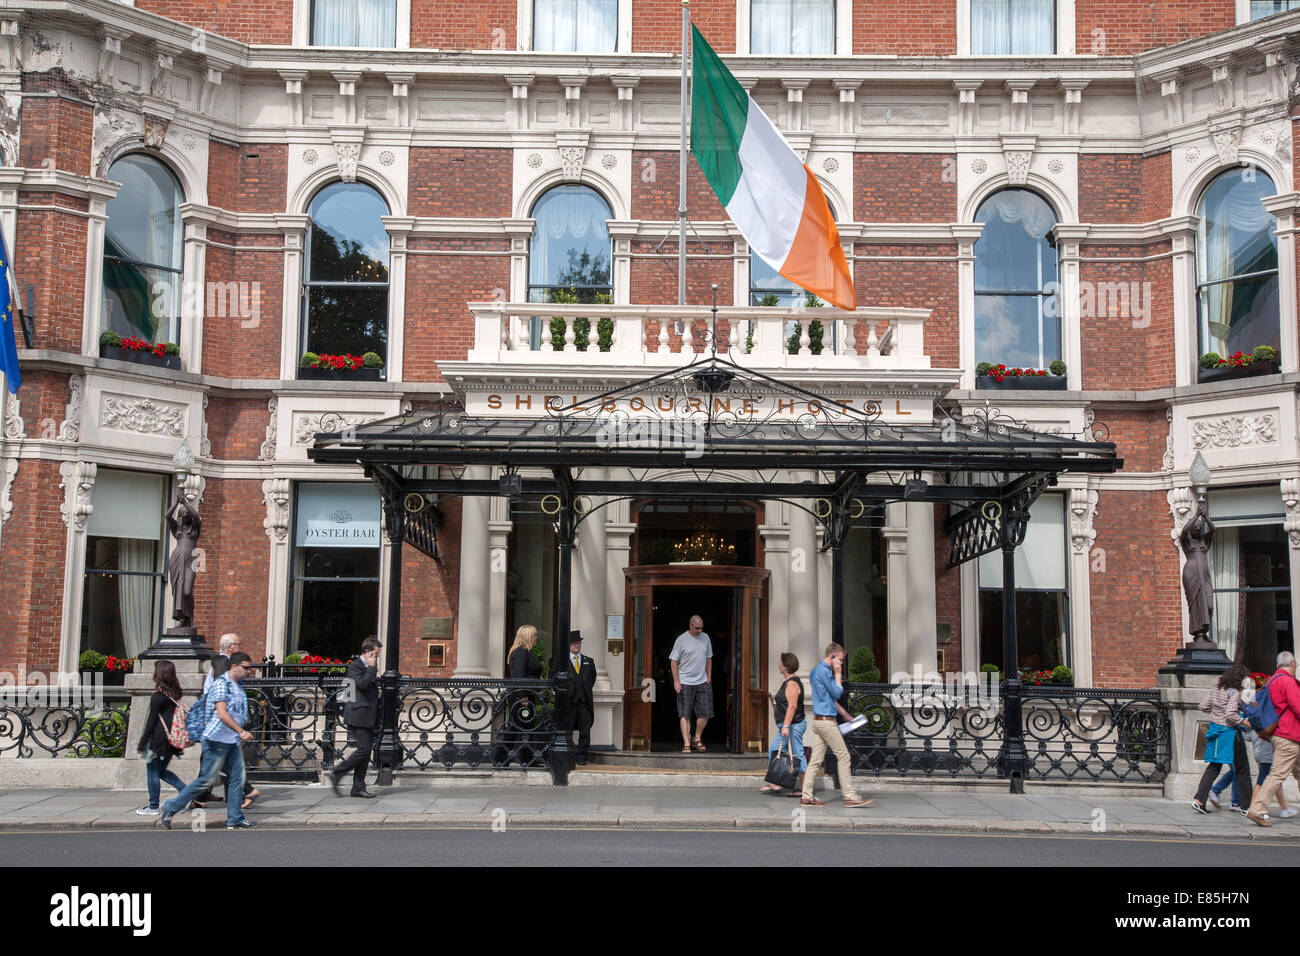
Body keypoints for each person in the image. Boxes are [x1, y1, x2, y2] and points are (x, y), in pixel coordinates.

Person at [161, 652, 257, 830]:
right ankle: (170, 807)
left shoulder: (238, 685)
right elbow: (222, 714)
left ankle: (235, 818)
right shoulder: (222, 685)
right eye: (246, 668)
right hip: (215, 741)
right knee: (205, 781)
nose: (249, 672)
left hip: (231, 740)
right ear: (235, 667)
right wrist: (241, 731)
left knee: (237, 778)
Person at [800, 643, 871, 808]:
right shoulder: (824, 671)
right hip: (826, 723)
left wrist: (845, 714)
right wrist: (838, 673)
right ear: (832, 657)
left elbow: (827, 698)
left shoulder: (815, 671)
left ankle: (806, 796)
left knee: (816, 760)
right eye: (839, 660)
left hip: (819, 721)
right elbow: (837, 693)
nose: (840, 663)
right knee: (844, 756)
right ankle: (850, 796)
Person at [199, 633, 258, 810]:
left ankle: (203, 795)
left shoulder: (222, 662)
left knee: (217, 761)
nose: (240, 648)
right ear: (231, 647)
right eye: (239, 645)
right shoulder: (222, 662)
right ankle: (241, 794)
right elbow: (221, 699)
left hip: (220, 724)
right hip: (218, 723)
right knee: (221, 762)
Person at [1247, 651, 1300, 827]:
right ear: (1293, 664)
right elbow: (1298, 707)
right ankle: (1257, 809)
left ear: (1278, 665)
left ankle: (1257, 808)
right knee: (1277, 774)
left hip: (1281, 734)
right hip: (1289, 735)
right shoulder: (1287, 681)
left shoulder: (1272, 681)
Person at [1190, 664, 1249, 814]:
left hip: (1215, 730)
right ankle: (1246, 806)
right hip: (1229, 733)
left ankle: (1199, 800)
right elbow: (1230, 714)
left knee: (1213, 766)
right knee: (1242, 769)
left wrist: (1216, 713)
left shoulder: (1216, 689)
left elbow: (1203, 706)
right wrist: (1243, 721)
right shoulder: (1234, 692)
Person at [330, 636, 381, 798]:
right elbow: (362, 684)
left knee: (365, 752)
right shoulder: (355, 666)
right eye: (375, 654)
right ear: (367, 652)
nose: (377, 657)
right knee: (364, 750)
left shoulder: (364, 667)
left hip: (367, 715)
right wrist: (372, 669)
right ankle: (337, 773)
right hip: (358, 715)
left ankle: (358, 786)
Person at [134, 660, 186, 815]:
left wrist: (142, 744)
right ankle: (186, 792)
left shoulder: (158, 696)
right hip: (171, 739)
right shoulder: (175, 694)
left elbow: (151, 722)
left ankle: (153, 806)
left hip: (157, 740)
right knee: (161, 771)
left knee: (152, 771)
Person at [760, 651, 807, 797]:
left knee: (797, 755)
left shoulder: (792, 684)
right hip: (787, 726)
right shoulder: (788, 681)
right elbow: (786, 703)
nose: (778, 665)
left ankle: (803, 788)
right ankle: (777, 783)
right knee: (775, 750)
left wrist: (786, 726)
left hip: (793, 726)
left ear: (786, 666)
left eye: (781, 663)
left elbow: (792, 706)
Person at [669, 615, 713, 753]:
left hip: (702, 680)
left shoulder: (705, 638)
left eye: (701, 628)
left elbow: (709, 658)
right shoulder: (681, 640)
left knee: (706, 712)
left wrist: (709, 676)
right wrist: (676, 680)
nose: (700, 631)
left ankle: (697, 738)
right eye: (697, 628)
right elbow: (674, 661)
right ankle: (686, 743)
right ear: (690, 626)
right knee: (685, 713)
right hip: (685, 681)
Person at [504, 625, 544, 766]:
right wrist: (524, 697)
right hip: (522, 697)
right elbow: (519, 676)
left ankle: (526, 759)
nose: (536, 638)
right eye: (534, 635)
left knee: (523, 728)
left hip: (525, 695)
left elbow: (526, 673)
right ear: (527, 636)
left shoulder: (525, 652)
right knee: (517, 728)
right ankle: (501, 758)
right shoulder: (521, 652)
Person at [566, 630, 596, 765]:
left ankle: (582, 756)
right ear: (569, 645)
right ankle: (567, 755)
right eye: (574, 643)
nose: (577, 645)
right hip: (569, 702)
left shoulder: (588, 661)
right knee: (567, 729)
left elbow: (592, 679)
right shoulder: (561, 662)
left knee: (585, 731)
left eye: (579, 643)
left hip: (584, 702)